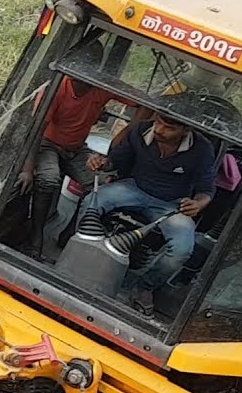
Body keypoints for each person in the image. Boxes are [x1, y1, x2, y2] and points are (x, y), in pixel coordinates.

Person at [82, 107, 215, 314]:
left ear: (186, 130)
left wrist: (198, 203)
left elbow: (206, 190)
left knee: (182, 249)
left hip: (171, 203)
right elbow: (115, 161)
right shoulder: (140, 131)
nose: (160, 130)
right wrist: (102, 162)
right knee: (93, 200)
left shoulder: (202, 149)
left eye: (169, 128)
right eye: (158, 122)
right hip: (134, 187)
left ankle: (144, 286)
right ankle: (83, 254)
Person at [16, 43, 138, 258]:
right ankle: (36, 238)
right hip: (47, 145)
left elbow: (142, 102)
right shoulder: (54, 89)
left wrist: (128, 133)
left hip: (76, 148)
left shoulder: (102, 86)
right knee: (49, 178)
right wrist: (27, 169)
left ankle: (70, 233)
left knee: (99, 186)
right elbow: (35, 133)